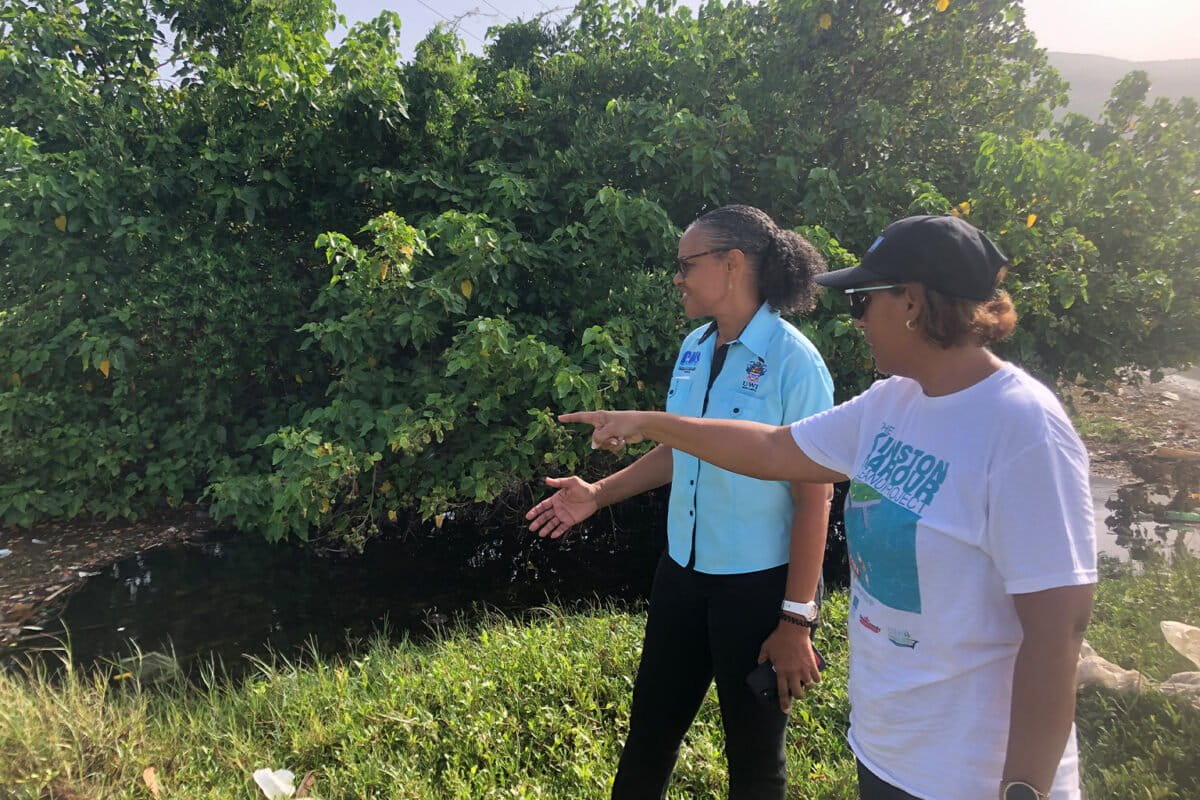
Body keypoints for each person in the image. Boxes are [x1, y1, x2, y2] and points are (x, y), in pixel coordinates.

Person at [561, 215, 1097, 800]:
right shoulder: (889, 404)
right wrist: (642, 434)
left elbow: (1058, 629)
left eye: (863, 301)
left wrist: (1023, 788)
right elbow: (771, 448)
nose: (856, 320)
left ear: (912, 302)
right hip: (888, 752)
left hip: (974, 774)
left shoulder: (1023, 428)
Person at [526, 204, 835, 799]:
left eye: (687, 264)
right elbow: (682, 449)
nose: (677, 278)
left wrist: (796, 619)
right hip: (683, 575)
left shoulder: (794, 362)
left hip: (758, 586)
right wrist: (598, 494)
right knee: (649, 735)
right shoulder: (695, 346)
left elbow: (814, 496)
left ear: (732, 264)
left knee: (755, 760)